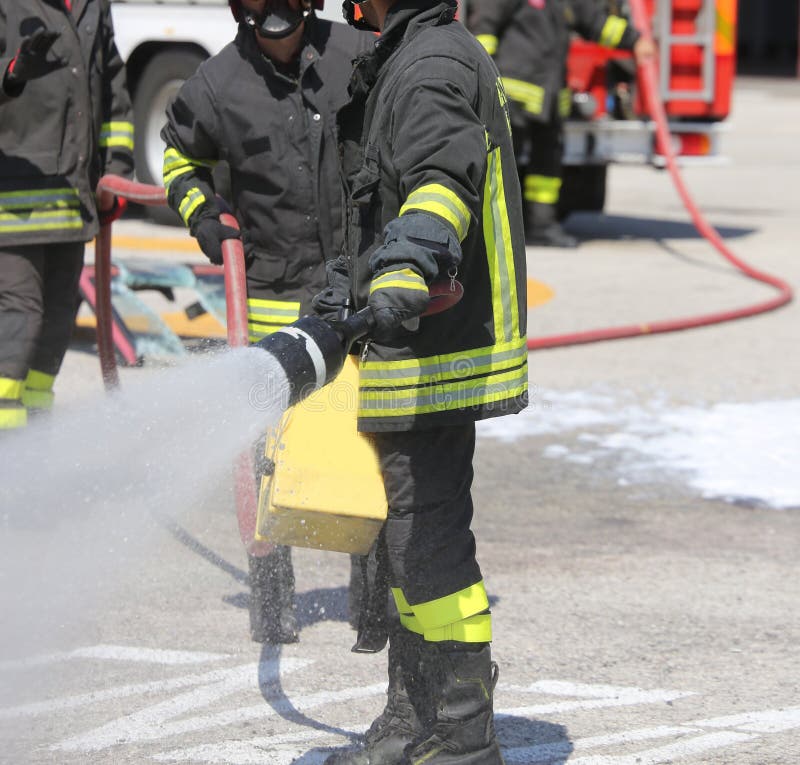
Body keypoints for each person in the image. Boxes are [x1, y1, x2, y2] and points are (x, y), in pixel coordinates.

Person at [315, 1, 528, 762]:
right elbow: (377, 201)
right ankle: (414, 718)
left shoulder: (432, 63)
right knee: (405, 547)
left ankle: (464, 737)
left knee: (430, 551)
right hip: (409, 349)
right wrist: (346, 282)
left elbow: (441, 182)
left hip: (434, 353)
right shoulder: (410, 55)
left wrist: (407, 264)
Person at [161, 0, 373, 644]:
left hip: (355, 298)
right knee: (265, 462)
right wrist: (203, 215)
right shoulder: (217, 84)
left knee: (368, 449)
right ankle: (273, 606)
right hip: (271, 303)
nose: (274, 11)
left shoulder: (356, 57)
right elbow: (176, 158)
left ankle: (372, 608)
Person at [0, 0, 134, 430]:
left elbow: (111, 88)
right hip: (11, 203)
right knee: (20, 318)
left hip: (72, 199)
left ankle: (36, 448)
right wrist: (11, 76)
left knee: (56, 323)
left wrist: (114, 171)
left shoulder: (93, 5)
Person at [468, 0, 656, 247]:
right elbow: (484, 27)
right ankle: (489, 231)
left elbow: (597, 23)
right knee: (501, 165)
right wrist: (481, 81)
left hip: (550, 94)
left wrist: (635, 40)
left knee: (547, 165)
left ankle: (541, 226)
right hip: (514, 91)